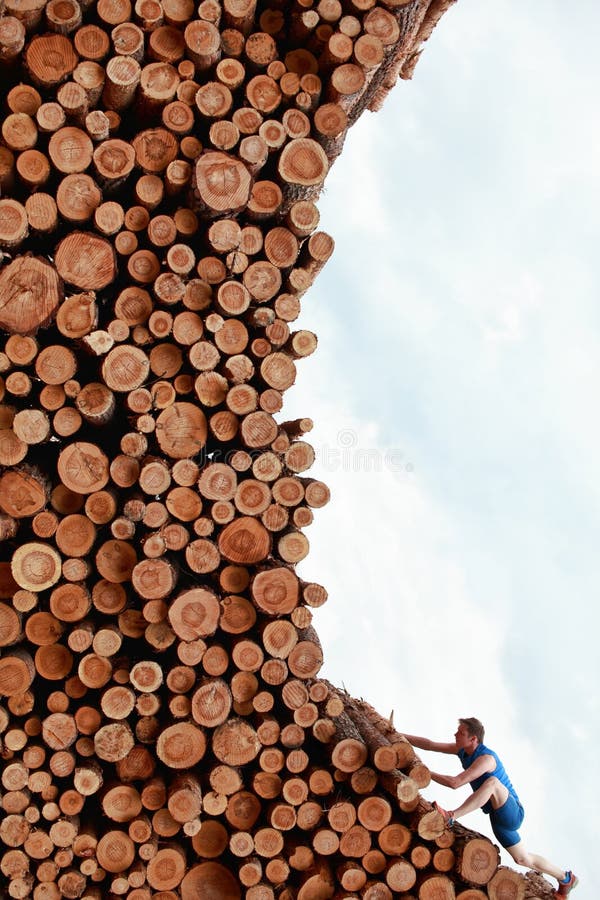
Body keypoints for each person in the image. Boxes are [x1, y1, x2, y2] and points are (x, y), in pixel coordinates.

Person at [403, 718, 578, 896]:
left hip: (512, 813)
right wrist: (401, 736)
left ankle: (451, 815)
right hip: (497, 817)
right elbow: (430, 744)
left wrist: (425, 773)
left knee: (492, 782)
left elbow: (456, 782)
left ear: (473, 739)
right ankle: (566, 878)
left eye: (461, 733)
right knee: (523, 859)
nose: (455, 734)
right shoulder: (462, 750)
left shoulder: (486, 759)